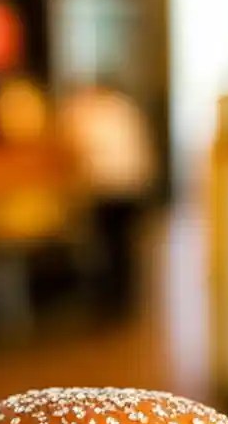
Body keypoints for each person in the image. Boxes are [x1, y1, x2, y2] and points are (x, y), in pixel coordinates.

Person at [56, 81, 156, 320]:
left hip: (109, 186)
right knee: (122, 245)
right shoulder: (125, 108)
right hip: (131, 183)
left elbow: (71, 143)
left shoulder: (86, 114)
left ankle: (113, 300)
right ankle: (122, 299)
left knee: (110, 245)